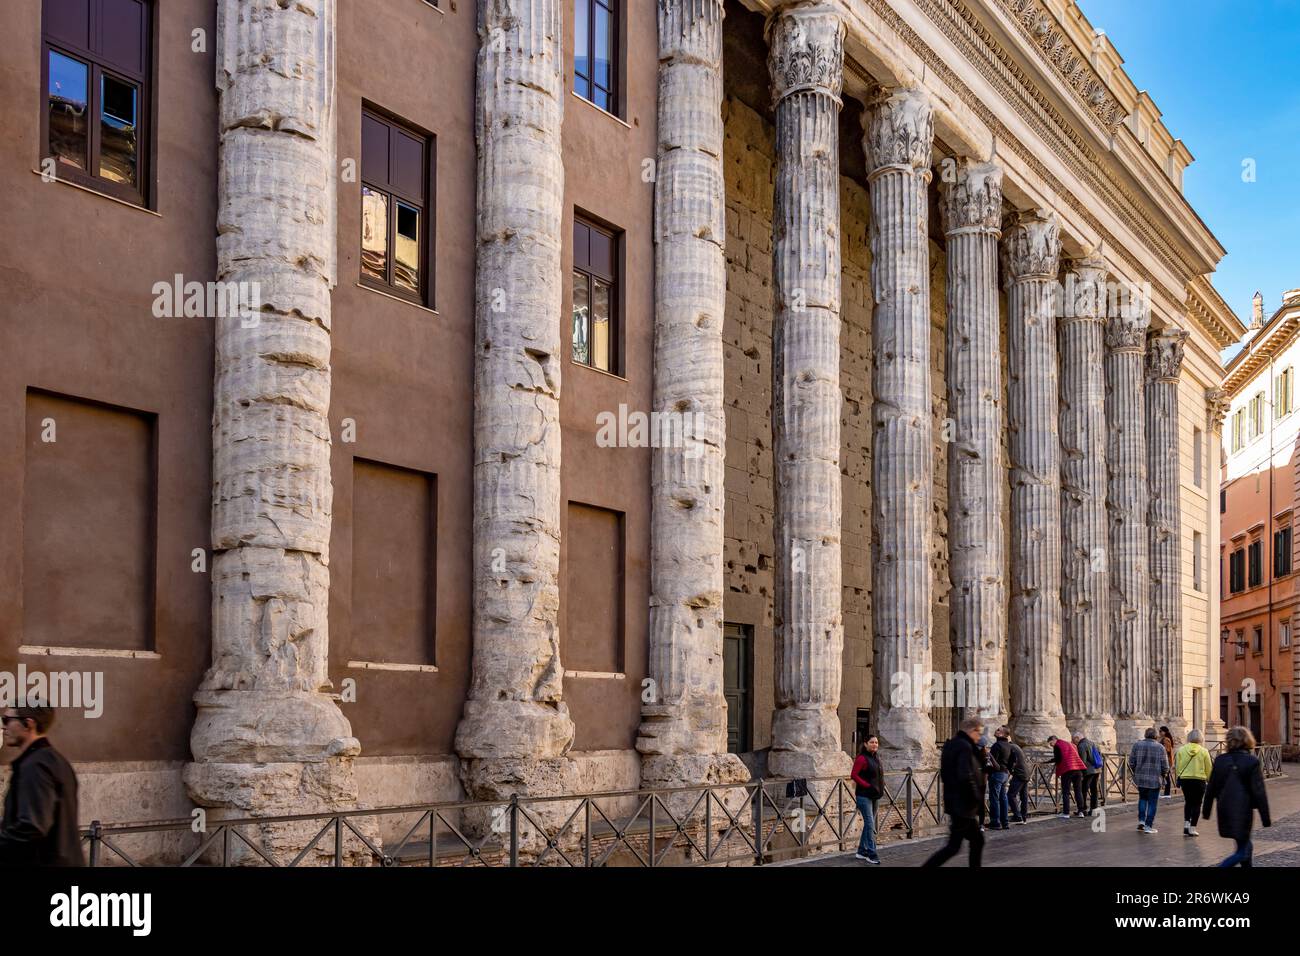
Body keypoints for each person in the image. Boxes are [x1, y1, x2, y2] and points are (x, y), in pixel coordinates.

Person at [0, 705, 84, 866]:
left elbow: (32, 826)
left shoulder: (35, 765)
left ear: (28, 724)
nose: (3, 726)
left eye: (7, 720)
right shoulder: (55, 760)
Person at [1202, 726, 1271, 866]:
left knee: (1245, 846)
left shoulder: (1221, 760)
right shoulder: (1252, 761)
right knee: (1243, 851)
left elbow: (1211, 788)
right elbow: (1259, 792)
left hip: (1224, 808)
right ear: (1247, 740)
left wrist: (1206, 811)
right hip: (1243, 810)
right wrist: (1265, 818)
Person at [923, 717, 986, 867]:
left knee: (976, 841)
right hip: (964, 804)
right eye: (979, 733)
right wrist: (976, 797)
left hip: (957, 801)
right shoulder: (964, 746)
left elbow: (946, 774)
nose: (980, 737)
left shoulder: (951, 745)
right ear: (972, 730)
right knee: (953, 846)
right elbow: (965, 774)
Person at [1128, 727, 1169, 834]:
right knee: (1152, 803)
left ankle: (1141, 821)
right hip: (1155, 779)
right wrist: (1163, 775)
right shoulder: (1160, 747)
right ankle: (1148, 825)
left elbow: (1131, 762)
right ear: (1156, 736)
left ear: (1146, 735)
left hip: (1141, 778)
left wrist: (1136, 771)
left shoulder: (1137, 745)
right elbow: (1165, 766)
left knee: (1142, 798)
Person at [851, 735, 883, 864]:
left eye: (876, 742)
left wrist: (881, 787)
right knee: (870, 824)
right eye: (871, 742)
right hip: (864, 796)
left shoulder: (876, 758)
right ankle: (871, 852)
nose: (874, 744)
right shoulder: (861, 758)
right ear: (865, 744)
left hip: (875, 795)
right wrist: (867, 786)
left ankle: (861, 851)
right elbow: (853, 775)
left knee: (869, 824)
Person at [1174, 729, 1212, 837]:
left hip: (1185, 779)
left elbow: (1178, 766)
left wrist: (1179, 776)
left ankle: (1186, 823)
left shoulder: (1181, 750)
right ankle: (1193, 828)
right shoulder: (1204, 751)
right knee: (1197, 804)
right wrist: (1209, 779)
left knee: (1188, 802)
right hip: (1199, 780)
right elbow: (1208, 768)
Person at [995, 727, 1030, 824]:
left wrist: (1008, 772)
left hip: (1019, 774)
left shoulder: (1010, 748)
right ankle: (1023, 817)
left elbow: (1012, 761)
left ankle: (1018, 816)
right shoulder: (1016, 746)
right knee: (1024, 796)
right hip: (1025, 773)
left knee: (1010, 795)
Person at [1047, 733, 1086, 819]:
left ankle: (1066, 812)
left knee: (1065, 792)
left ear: (1054, 740)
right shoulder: (1069, 743)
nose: (1051, 746)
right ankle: (1081, 812)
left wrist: (1050, 761)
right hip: (1078, 769)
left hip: (1068, 770)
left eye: (1051, 743)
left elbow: (1059, 758)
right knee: (1078, 791)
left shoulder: (1057, 745)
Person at [984, 733, 1010, 831]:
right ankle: (1005, 822)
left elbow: (993, 763)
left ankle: (995, 822)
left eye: (999, 730)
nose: (996, 730)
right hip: (1004, 774)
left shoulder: (997, 745)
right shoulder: (1008, 745)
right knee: (1003, 798)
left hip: (997, 774)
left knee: (994, 799)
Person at [1075, 731, 1103, 817]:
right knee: (1094, 789)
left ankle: (1083, 809)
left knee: (1083, 790)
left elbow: (1082, 761)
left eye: (1074, 740)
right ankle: (1094, 809)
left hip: (1088, 771)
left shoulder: (1081, 745)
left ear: (1077, 738)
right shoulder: (1093, 743)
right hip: (1097, 769)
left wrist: (1081, 773)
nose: (1074, 742)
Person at [1158, 726, 1177, 797]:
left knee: (1166, 777)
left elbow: (1167, 750)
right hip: (1166, 760)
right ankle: (1166, 792)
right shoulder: (1164, 739)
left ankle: (1167, 793)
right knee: (1165, 776)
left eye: (1160, 731)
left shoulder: (1166, 739)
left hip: (1166, 761)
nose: (1159, 733)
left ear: (1164, 732)